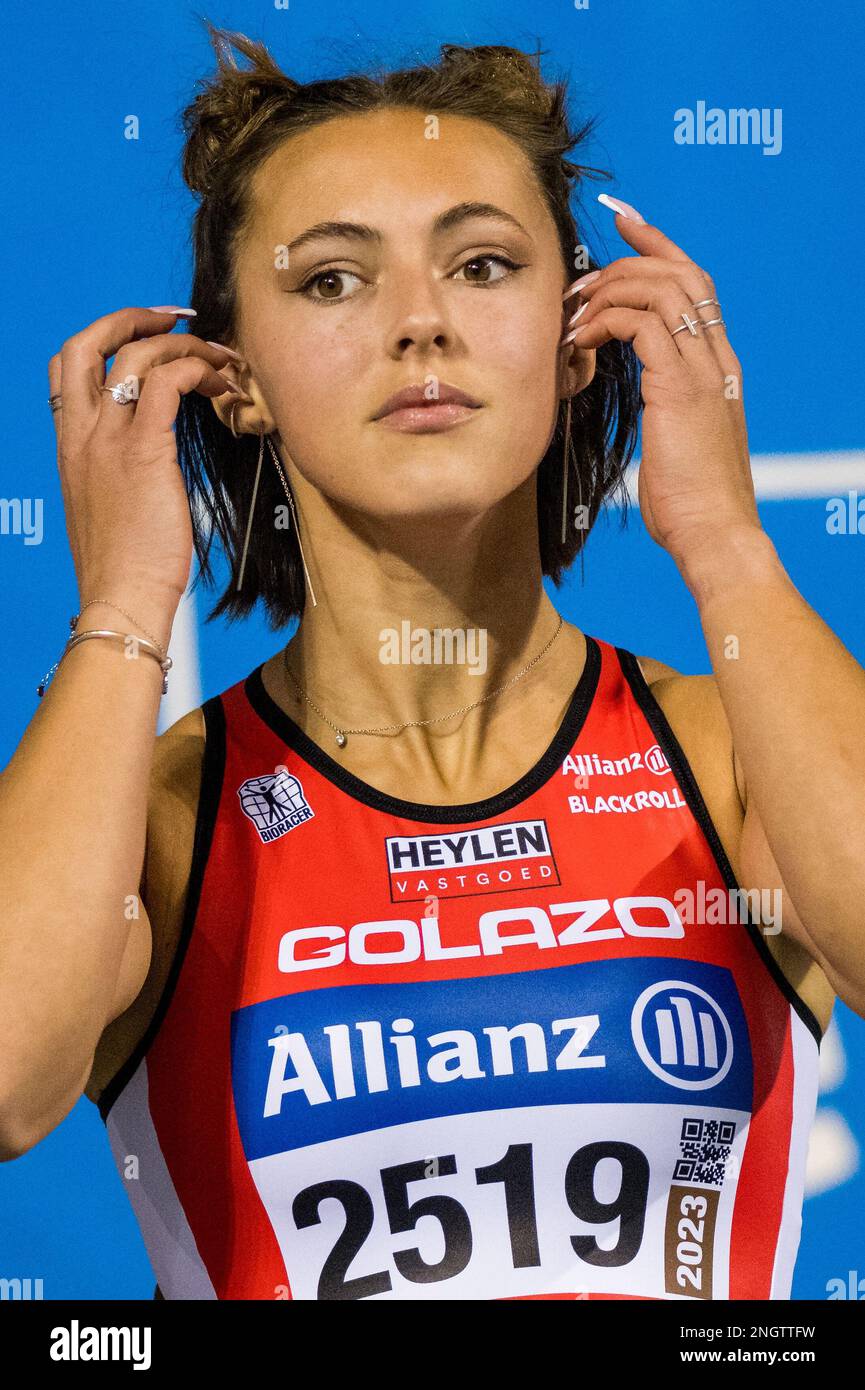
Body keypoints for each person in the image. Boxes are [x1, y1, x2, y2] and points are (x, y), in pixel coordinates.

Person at [2, 25, 864, 1302]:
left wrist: (726, 544)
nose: (420, 325)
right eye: (333, 281)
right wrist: (126, 597)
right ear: (232, 380)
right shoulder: (166, 815)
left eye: (480, 264)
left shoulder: (728, 754)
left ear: (577, 343)